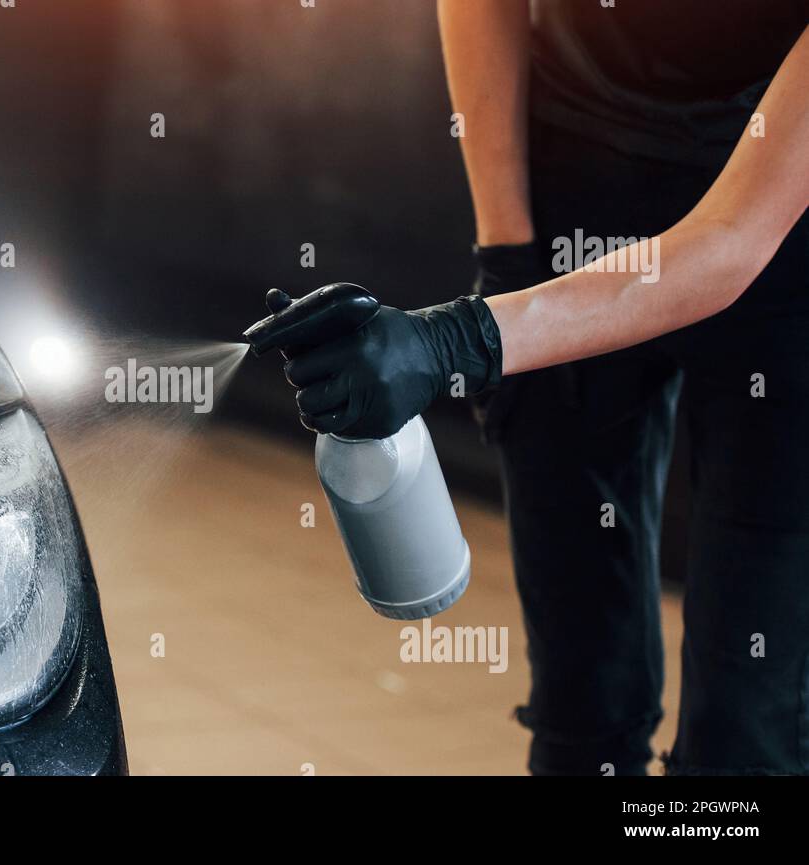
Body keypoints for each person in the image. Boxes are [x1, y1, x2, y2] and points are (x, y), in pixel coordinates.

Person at [258, 1, 809, 775]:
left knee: (748, 737)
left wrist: (465, 337)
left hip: (786, 243)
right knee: (583, 705)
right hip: (574, 173)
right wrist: (510, 255)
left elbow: (734, 238)